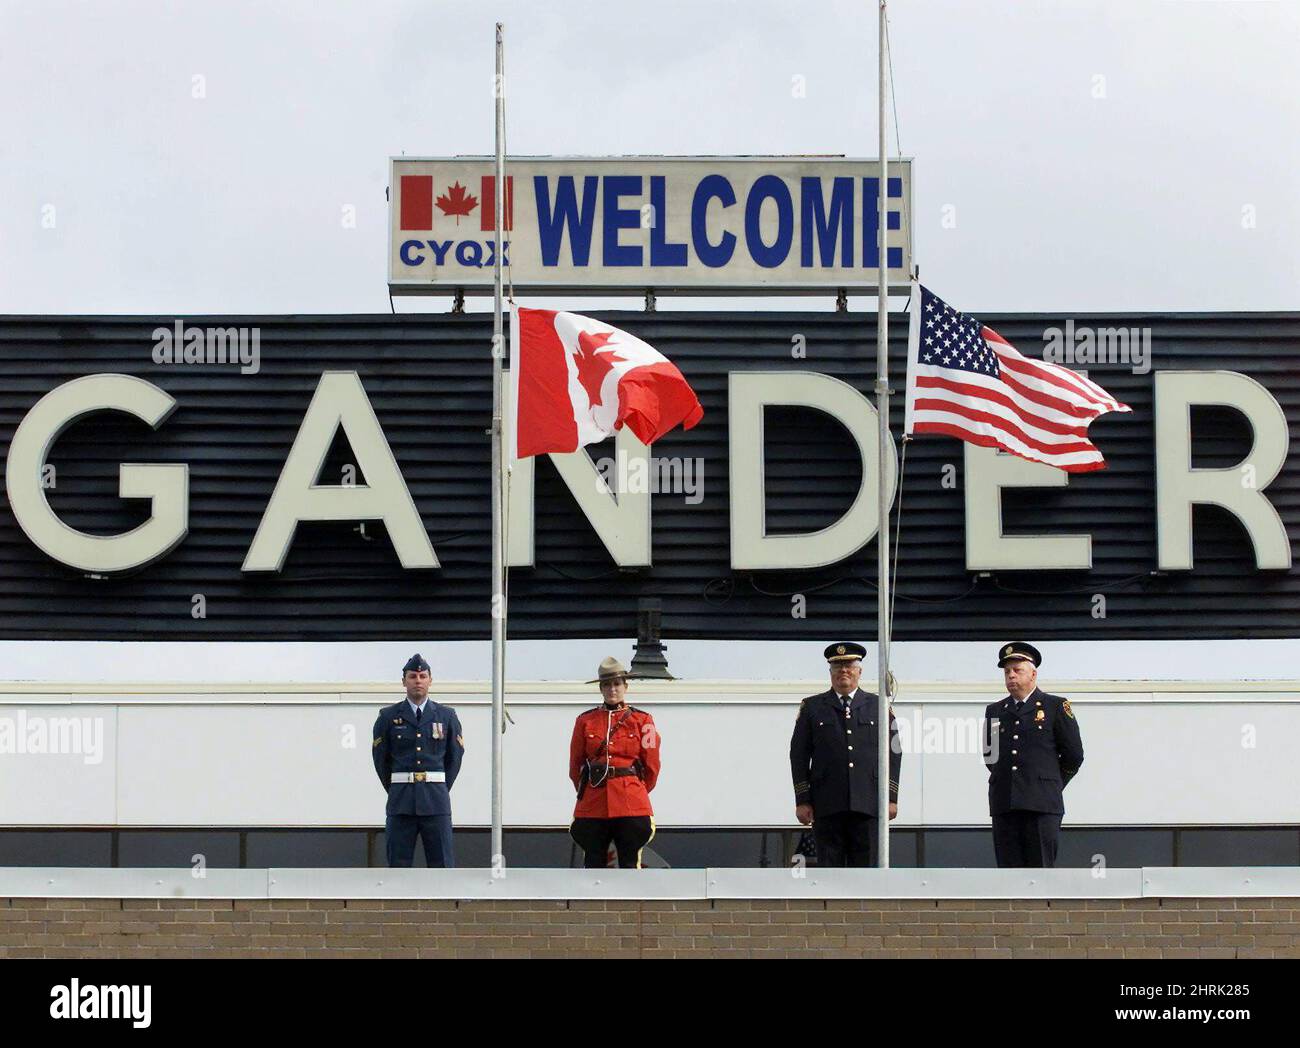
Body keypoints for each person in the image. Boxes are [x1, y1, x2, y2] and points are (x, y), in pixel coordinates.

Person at [789, 642, 901, 867]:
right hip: (827, 804)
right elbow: (798, 755)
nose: (844, 671)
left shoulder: (878, 705)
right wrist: (802, 799)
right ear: (830, 672)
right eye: (837, 667)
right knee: (831, 872)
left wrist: (891, 797)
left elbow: (894, 751)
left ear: (860, 671)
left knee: (868, 871)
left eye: (849, 665)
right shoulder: (812, 707)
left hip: (869, 804)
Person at [983, 642, 1084, 868]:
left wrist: (1051, 782)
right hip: (1004, 803)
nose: (1010, 676)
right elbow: (990, 757)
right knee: (1008, 874)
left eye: (1017, 670)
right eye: (1007, 672)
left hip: (1042, 804)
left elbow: (1074, 755)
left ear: (1033, 673)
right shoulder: (995, 711)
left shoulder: (1055, 706)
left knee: (1040, 874)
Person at [372, 653, 465, 868]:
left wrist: (438, 785)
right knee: (398, 866)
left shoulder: (446, 716)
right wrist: (398, 786)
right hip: (401, 802)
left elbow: (454, 759)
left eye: (423, 676)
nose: (418, 681)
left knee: (442, 865)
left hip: (436, 801)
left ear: (430, 681)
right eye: (413, 676)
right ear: (404, 681)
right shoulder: (387, 717)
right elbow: (381, 761)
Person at [569, 657, 661, 869]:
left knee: (629, 862)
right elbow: (576, 765)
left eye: (617, 684)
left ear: (625, 686)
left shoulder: (643, 720)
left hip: (631, 800)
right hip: (594, 801)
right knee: (593, 862)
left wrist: (635, 789)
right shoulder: (585, 721)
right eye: (607, 685)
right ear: (601, 688)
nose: (612, 689)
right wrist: (590, 787)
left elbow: (652, 765)